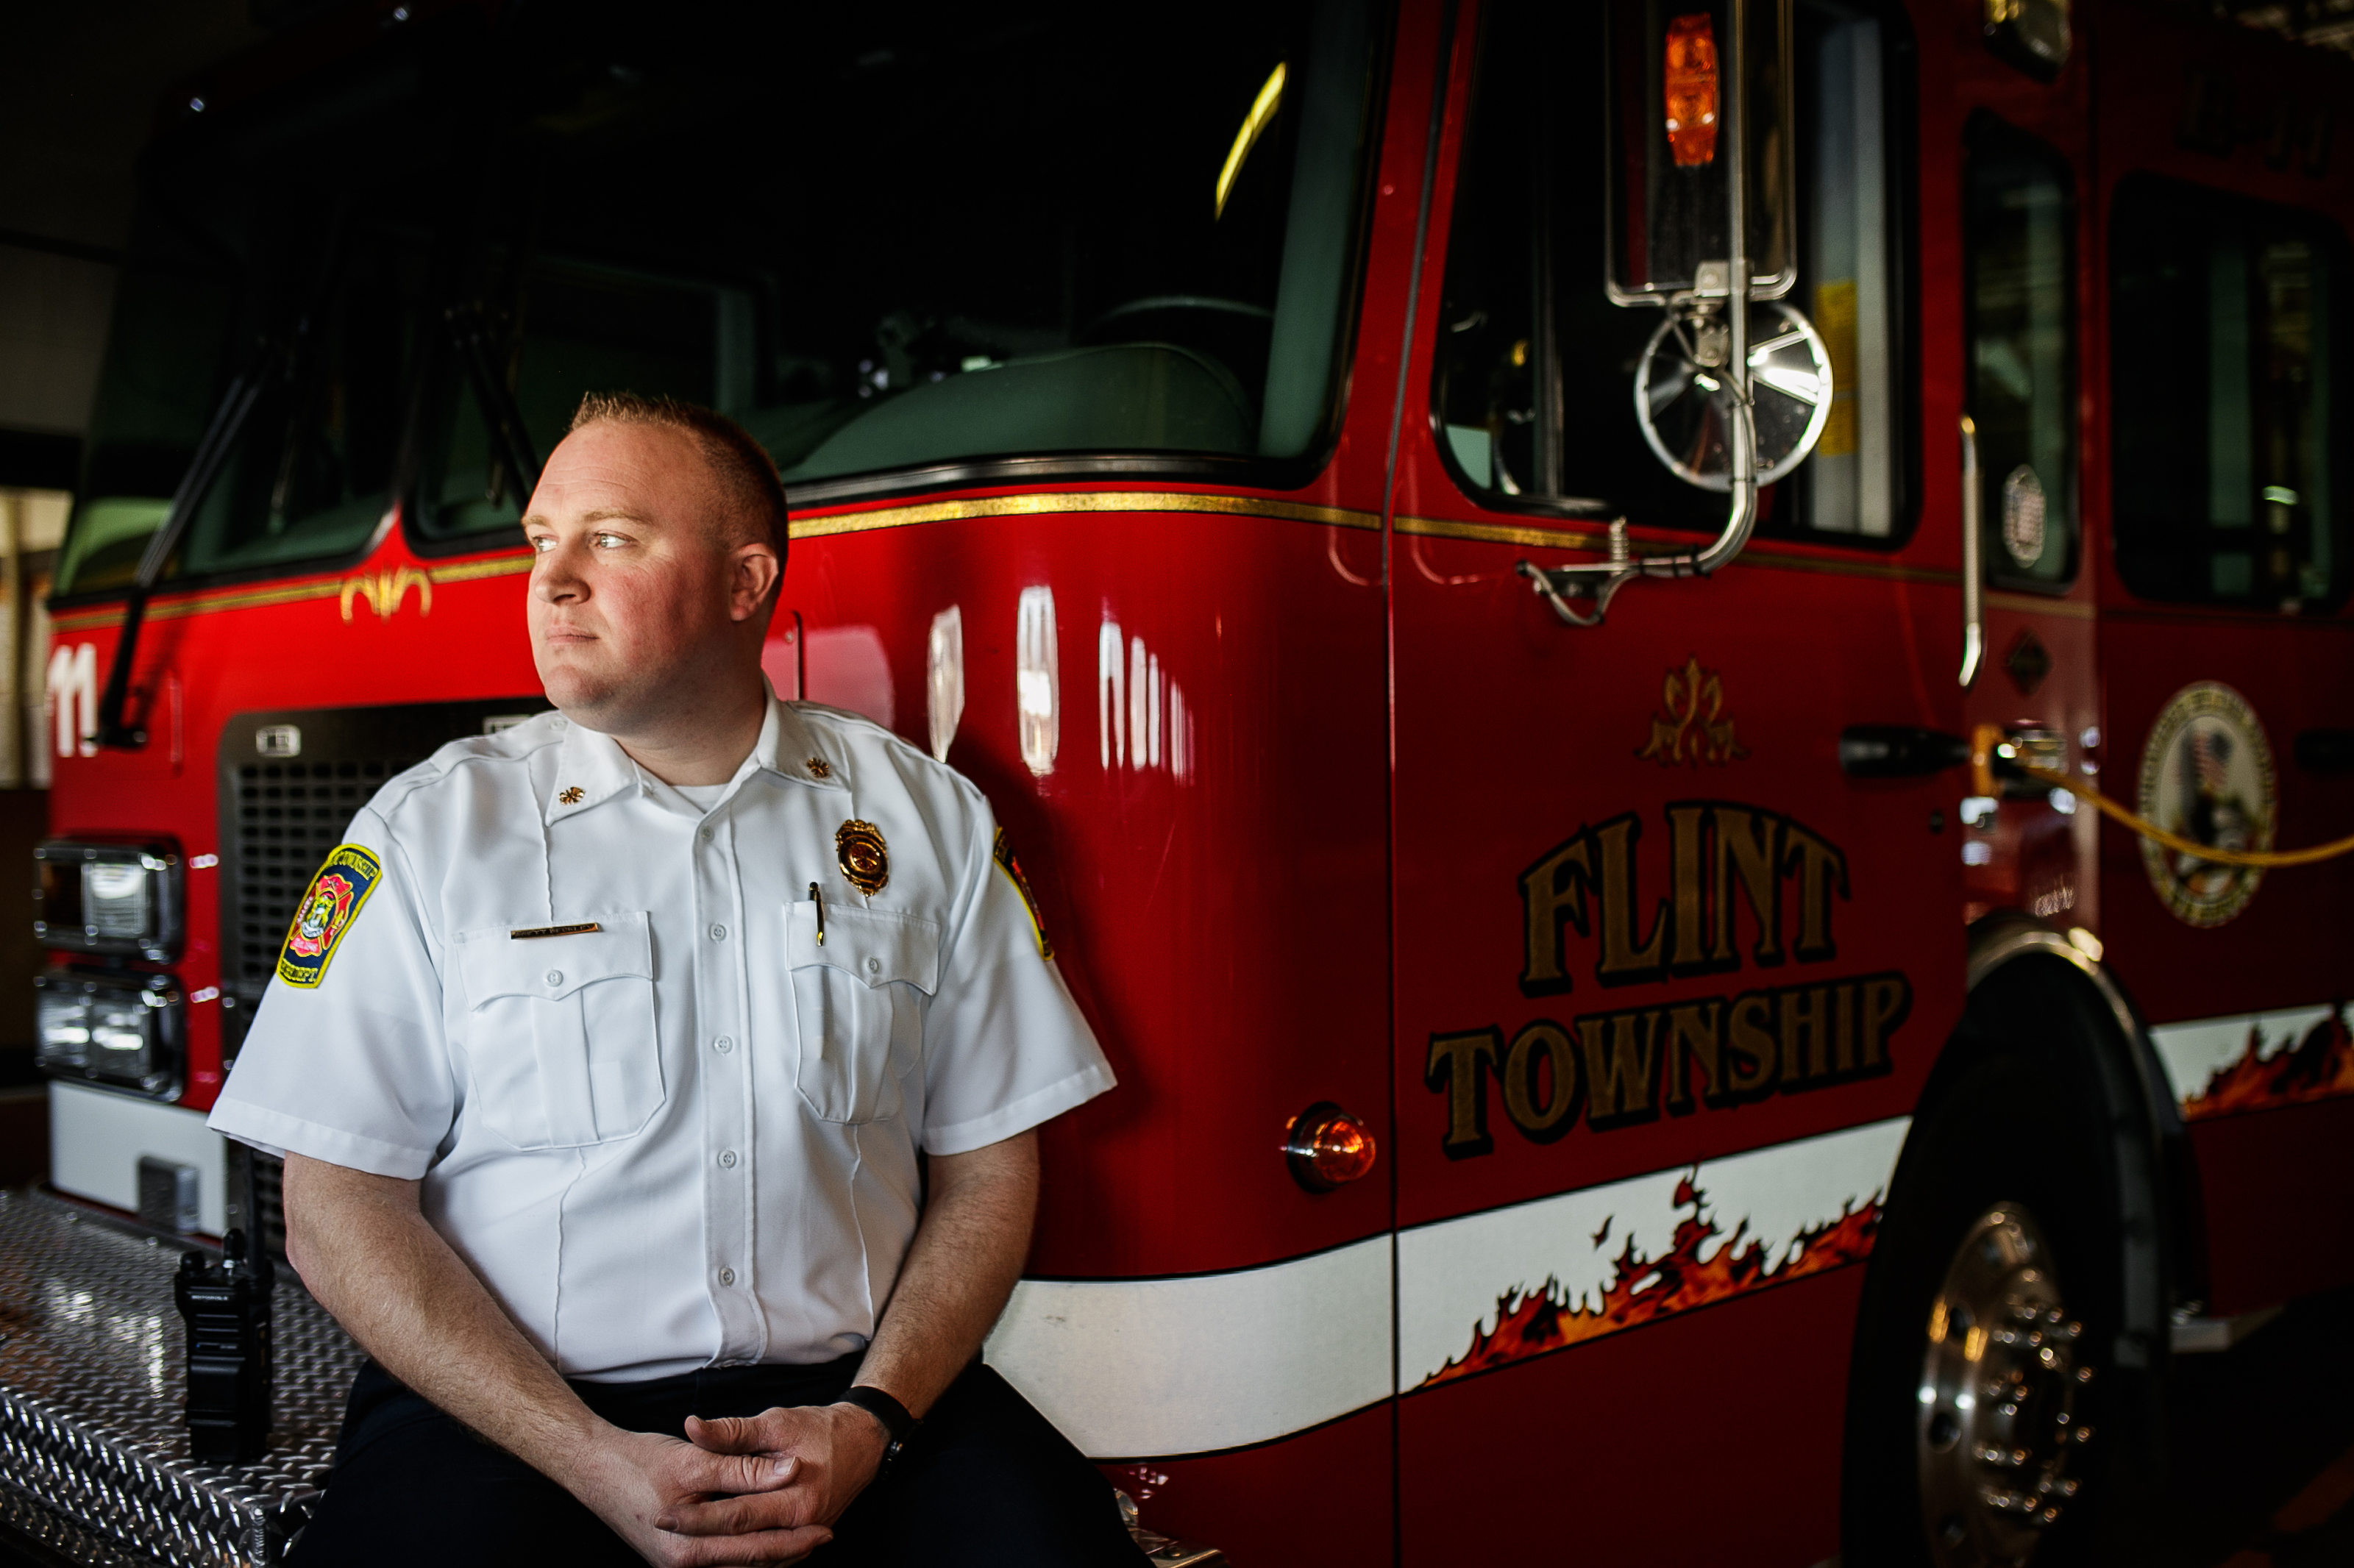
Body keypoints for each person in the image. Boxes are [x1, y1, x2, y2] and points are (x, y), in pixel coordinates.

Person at [207, 391, 1141, 1567]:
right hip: (519, 1414)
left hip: (860, 1403)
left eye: (611, 538)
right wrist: (588, 1458)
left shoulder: (924, 821)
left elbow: (990, 1167)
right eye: (542, 541)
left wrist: (873, 1420)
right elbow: (334, 1206)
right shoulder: (430, 831)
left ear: (745, 582)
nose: (551, 582)